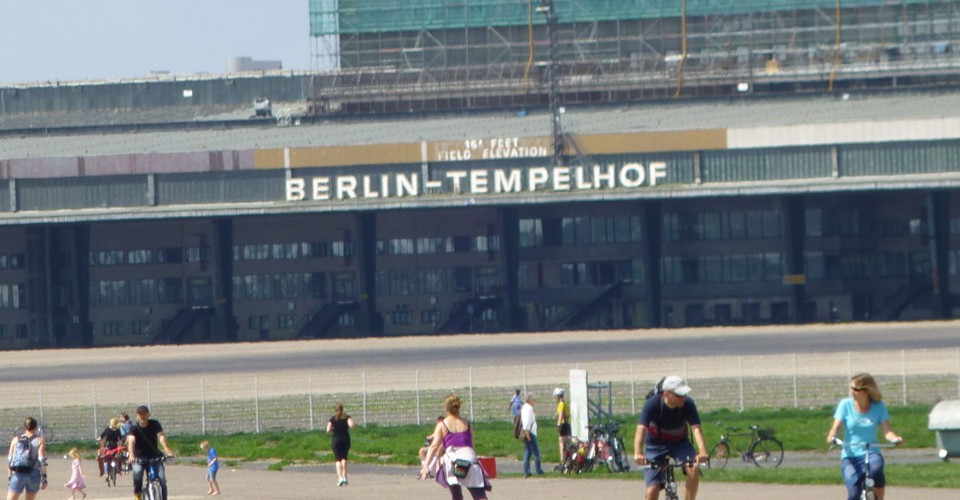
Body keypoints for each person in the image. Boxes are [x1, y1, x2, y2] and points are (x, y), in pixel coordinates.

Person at [826, 373, 903, 500]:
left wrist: (895, 439)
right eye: (851, 388)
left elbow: (887, 431)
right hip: (851, 455)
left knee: (876, 468)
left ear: (867, 390)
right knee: (853, 494)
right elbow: (836, 427)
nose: (852, 392)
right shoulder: (845, 405)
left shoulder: (878, 406)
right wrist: (832, 436)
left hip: (871, 452)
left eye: (856, 389)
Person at [634, 376, 708, 500]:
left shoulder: (688, 404)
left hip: (680, 443)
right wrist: (638, 453)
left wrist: (702, 452)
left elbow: (696, 429)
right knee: (652, 490)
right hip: (655, 444)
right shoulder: (652, 404)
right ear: (667, 394)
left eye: (684, 394)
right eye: (679, 395)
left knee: (693, 469)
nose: (683, 398)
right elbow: (641, 429)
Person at [419, 394, 491, 500]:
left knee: (456, 492)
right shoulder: (467, 423)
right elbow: (472, 444)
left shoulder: (443, 425)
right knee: (479, 495)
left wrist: (426, 465)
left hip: (455, 463)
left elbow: (434, 446)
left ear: (446, 408)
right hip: (471, 461)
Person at [127, 405, 175, 500]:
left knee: (162, 479)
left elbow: (161, 436)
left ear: (149, 414)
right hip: (139, 458)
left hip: (154, 457)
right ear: (137, 416)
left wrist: (167, 449)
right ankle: (138, 495)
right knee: (138, 473)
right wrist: (132, 455)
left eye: (144, 413)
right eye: (140, 414)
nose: (142, 416)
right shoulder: (134, 428)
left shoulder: (155, 424)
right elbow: (131, 441)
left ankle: (164, 498)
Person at [6, 417, 48, 500]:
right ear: (36, 428)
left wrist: (10, 478)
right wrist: (44, 478)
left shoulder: (15, 440)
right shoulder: (40, 440)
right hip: (34, 474)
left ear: (24, 427)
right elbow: (42, 460)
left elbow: (10, 460)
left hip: (18, 473)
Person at [326, 402, 356, 486]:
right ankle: (345, 477)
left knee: (337, 459)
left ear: (335, 410)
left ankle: (340, 478)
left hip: (336, 440)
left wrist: (333, 429)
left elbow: (328, 430)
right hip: (345, 439)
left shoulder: (333, 419)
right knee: (344, 458)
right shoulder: (347, 417)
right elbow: (352, 425)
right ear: (342, 409)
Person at [519, 393, 545, 477]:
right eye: (534, 400)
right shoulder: (529, 408)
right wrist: (527, 434)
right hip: (530, 433)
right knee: (536, 453)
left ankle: (526, 471)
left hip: (528, 431)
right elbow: (527, 421)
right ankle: (538, 470)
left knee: (528, 452)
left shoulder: (524, 408)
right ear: (530, 400)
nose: (535, 402)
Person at [554, 387, 571, 463]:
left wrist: (558, 425)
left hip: (563, 424)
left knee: (562, 442)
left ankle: (562, 460)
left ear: (558, 396)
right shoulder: (565, 403)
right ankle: (568, 458)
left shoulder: (561, 404)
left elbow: (560, 415)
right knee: (567, 442)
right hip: (567, 424)